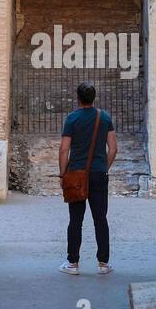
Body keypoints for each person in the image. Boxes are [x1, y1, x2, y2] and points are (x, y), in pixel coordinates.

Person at [58, 83, 117, 275]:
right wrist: (103, 168)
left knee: (75, 220)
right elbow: (113, 148)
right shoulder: (105, 117)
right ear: (94, 98)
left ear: (78, 98)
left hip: (76, 174)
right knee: (100, 218)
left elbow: (64, 149)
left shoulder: (72, 119)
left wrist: (63, 173)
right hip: (99, 174)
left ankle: (73, 263)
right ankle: (103, 264)